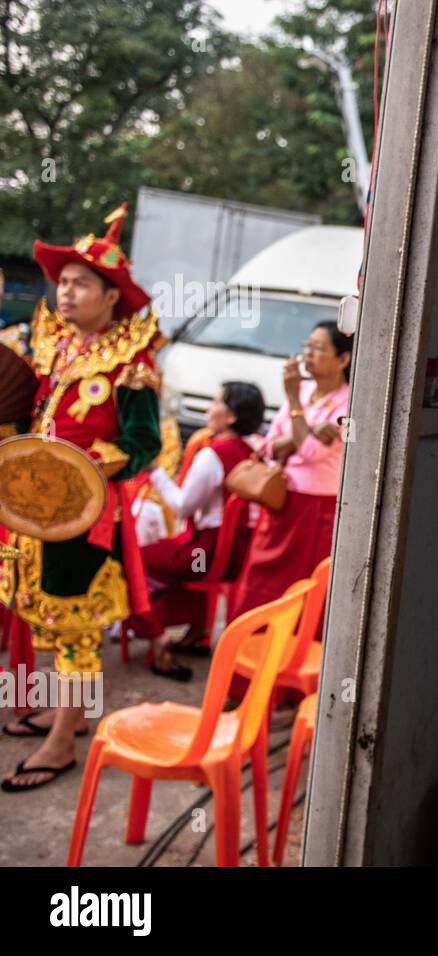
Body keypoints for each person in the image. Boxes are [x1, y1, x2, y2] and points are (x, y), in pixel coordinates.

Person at [0, 203, 163, 791]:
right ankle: (67, 711)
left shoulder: (132, 364)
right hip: (30, 509)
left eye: (79, 284)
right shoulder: (53, 348)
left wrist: (85, 467)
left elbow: (144, 444)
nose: (65, 293)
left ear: (110, 295)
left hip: (85, 518)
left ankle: (63, 741)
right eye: (62, 282)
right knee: (43, 614)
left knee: (76, 629)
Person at [125, 382, 266, 681]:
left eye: (215, 402)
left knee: (135, 557)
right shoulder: (252, 449)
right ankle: (196, 629)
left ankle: (157, 637)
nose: (208, 409)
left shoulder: (212, 455)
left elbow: (182, 507)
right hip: (239, 549)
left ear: (230, 416)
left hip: (207, 554)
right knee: (168, 550)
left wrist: (154, 471)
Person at [228, 321, 349, 621]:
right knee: (259, 581)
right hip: (281, 499)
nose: (307, 354)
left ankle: (286, 662)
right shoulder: (304, 389)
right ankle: (245, 659)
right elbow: (270, 446)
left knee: (300, 591)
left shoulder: (347, 401)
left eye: (318, 348)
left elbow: (311, 452)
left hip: (315, 508)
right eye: (307, 346)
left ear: (343, 359)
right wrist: (303, 432)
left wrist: (294, 406)